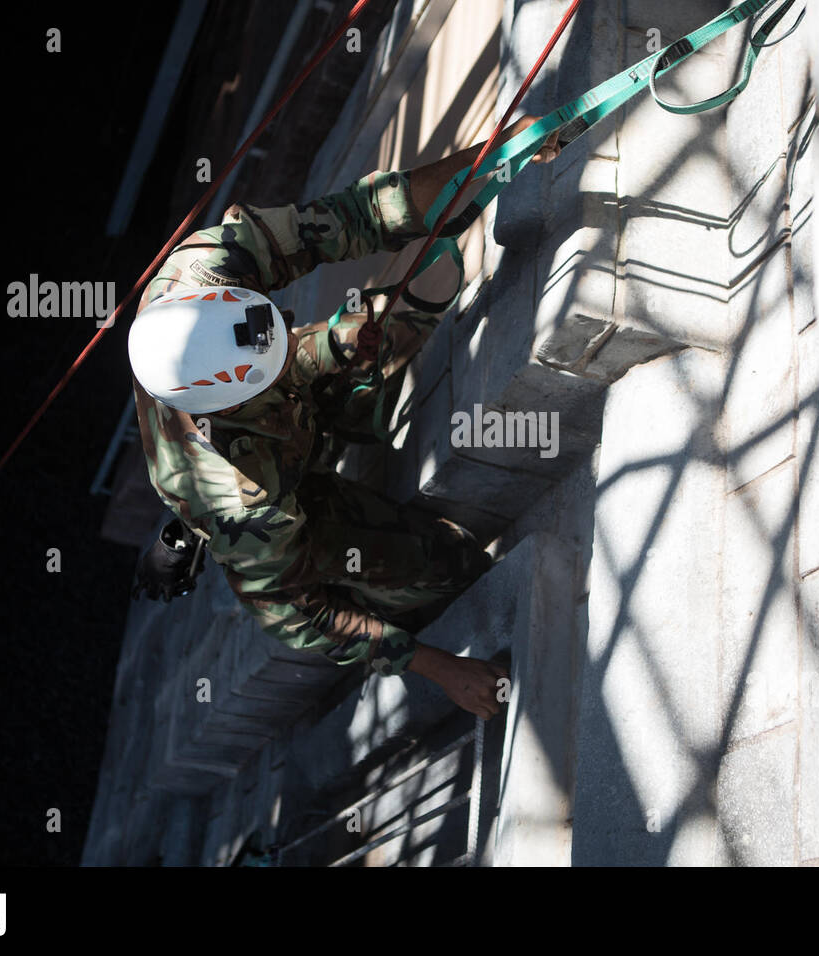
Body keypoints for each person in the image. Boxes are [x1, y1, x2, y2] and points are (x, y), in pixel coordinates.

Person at [128, 115, 560, 720]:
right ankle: (193, 536)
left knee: (369, 336)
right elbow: (298, 613)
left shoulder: (200, 271)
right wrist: (438, 666)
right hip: (281, 496)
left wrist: (490, 157)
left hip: (275, 423)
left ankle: (335, 385)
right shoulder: (244, 501)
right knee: (446, 568)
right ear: (227, 400)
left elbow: (357, 214)